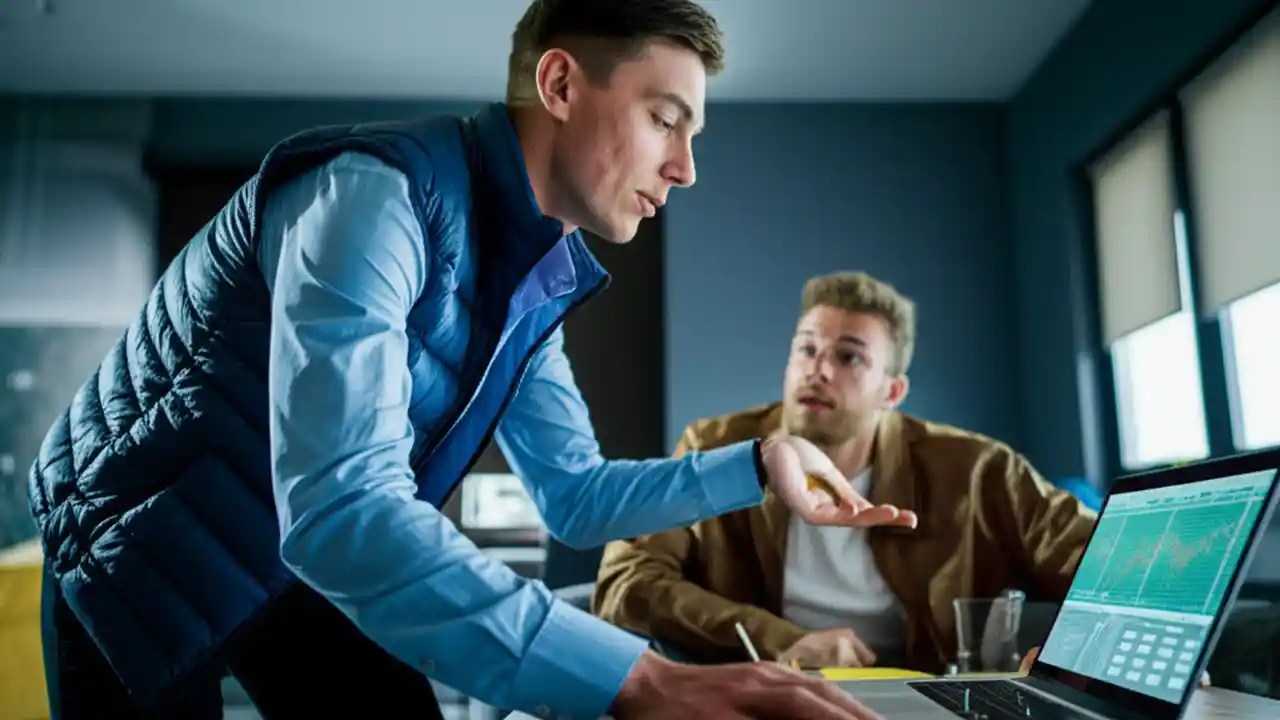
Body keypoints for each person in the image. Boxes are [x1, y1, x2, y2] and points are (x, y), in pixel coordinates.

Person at [27, 2, 917, 719]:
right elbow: (342, 507)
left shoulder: (527, 282)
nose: (685, 168)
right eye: (665, 120)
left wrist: (761, 463)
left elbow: (573, 496)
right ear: (561, 82)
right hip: (132, 553)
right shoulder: (371, 199)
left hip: (294, 558)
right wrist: (640, 681)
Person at [593, 271, 1099, 673]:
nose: (819, 370)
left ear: (892, 392)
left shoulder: (978, 470)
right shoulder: (717, 448)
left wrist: (1063, 660)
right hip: (764, 694)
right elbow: (624, 580)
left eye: (849, 357)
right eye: (806, 348)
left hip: (917, 700)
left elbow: (1099, 563)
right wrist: (784, 643)